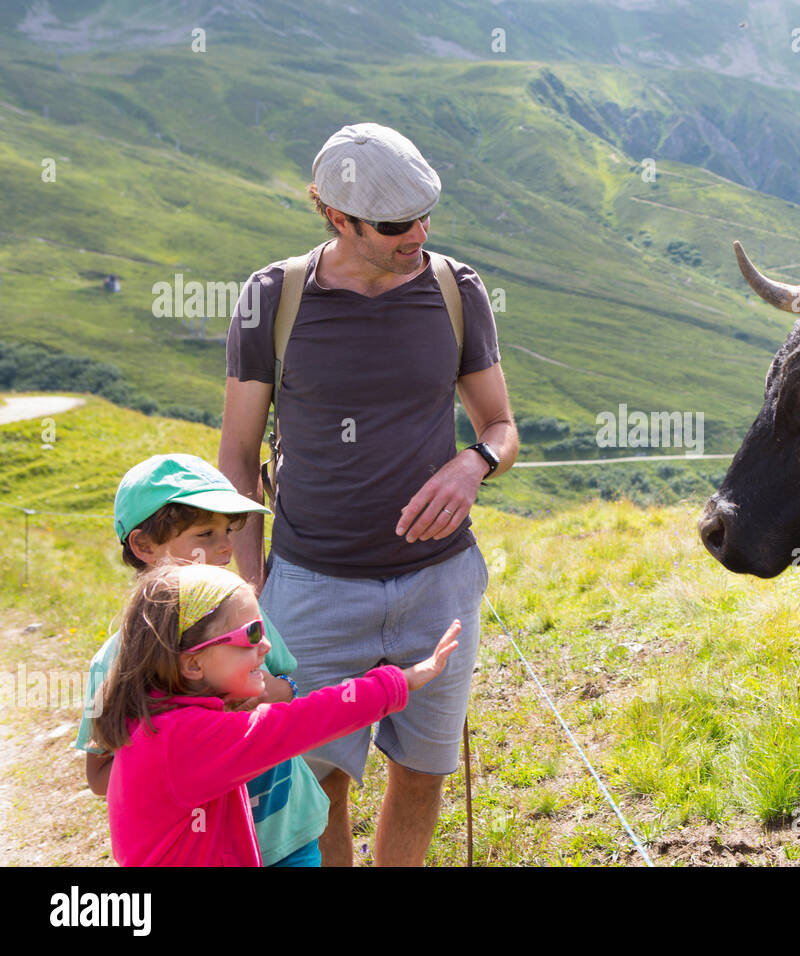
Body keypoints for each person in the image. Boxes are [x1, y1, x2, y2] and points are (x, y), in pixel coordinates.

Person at [220, 122, 519, 866]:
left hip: (438, 585)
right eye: (394, 224)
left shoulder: (457, 289)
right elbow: (236, 455)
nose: (417, 233)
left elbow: (503, 425)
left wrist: (473, 463)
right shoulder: (273, 298)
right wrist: (250, 588)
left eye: (426, 214)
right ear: (334, 215)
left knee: (421, 776)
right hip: (311, 590)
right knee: (318, 785)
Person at [93, 562, 459, 866]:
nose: (266, 645)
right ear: (193, 664)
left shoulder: (163, 718)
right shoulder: (191, 738)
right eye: (251, 634)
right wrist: (401, 681)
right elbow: (311, 718)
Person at [74, 453, 331, 866]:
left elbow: (288, 690)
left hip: (286, 834)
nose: (226, 546)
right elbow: (100, 777)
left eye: (228, 530)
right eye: (205, 534)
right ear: (144, 546)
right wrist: (177, 752)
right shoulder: (114, 661)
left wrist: (264, 696)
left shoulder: (250, 619)